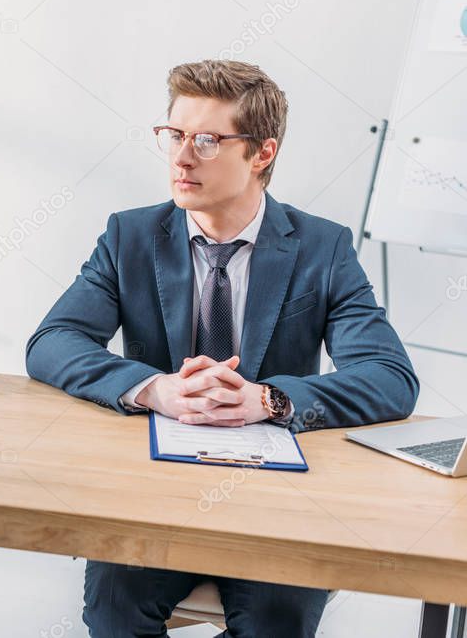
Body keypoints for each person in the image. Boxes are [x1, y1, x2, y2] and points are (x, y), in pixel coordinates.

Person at [25, 59, 419, 638]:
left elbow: (390, 378)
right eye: (174, 135)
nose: (181, 158)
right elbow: (52, 342)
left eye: (207, 140)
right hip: (158, 492)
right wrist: (154, 388)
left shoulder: (322, 248)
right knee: (113, 608)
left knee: (275, 624)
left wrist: (270, 400)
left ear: (261, 153)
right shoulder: (130, 236)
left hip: (277, 503)